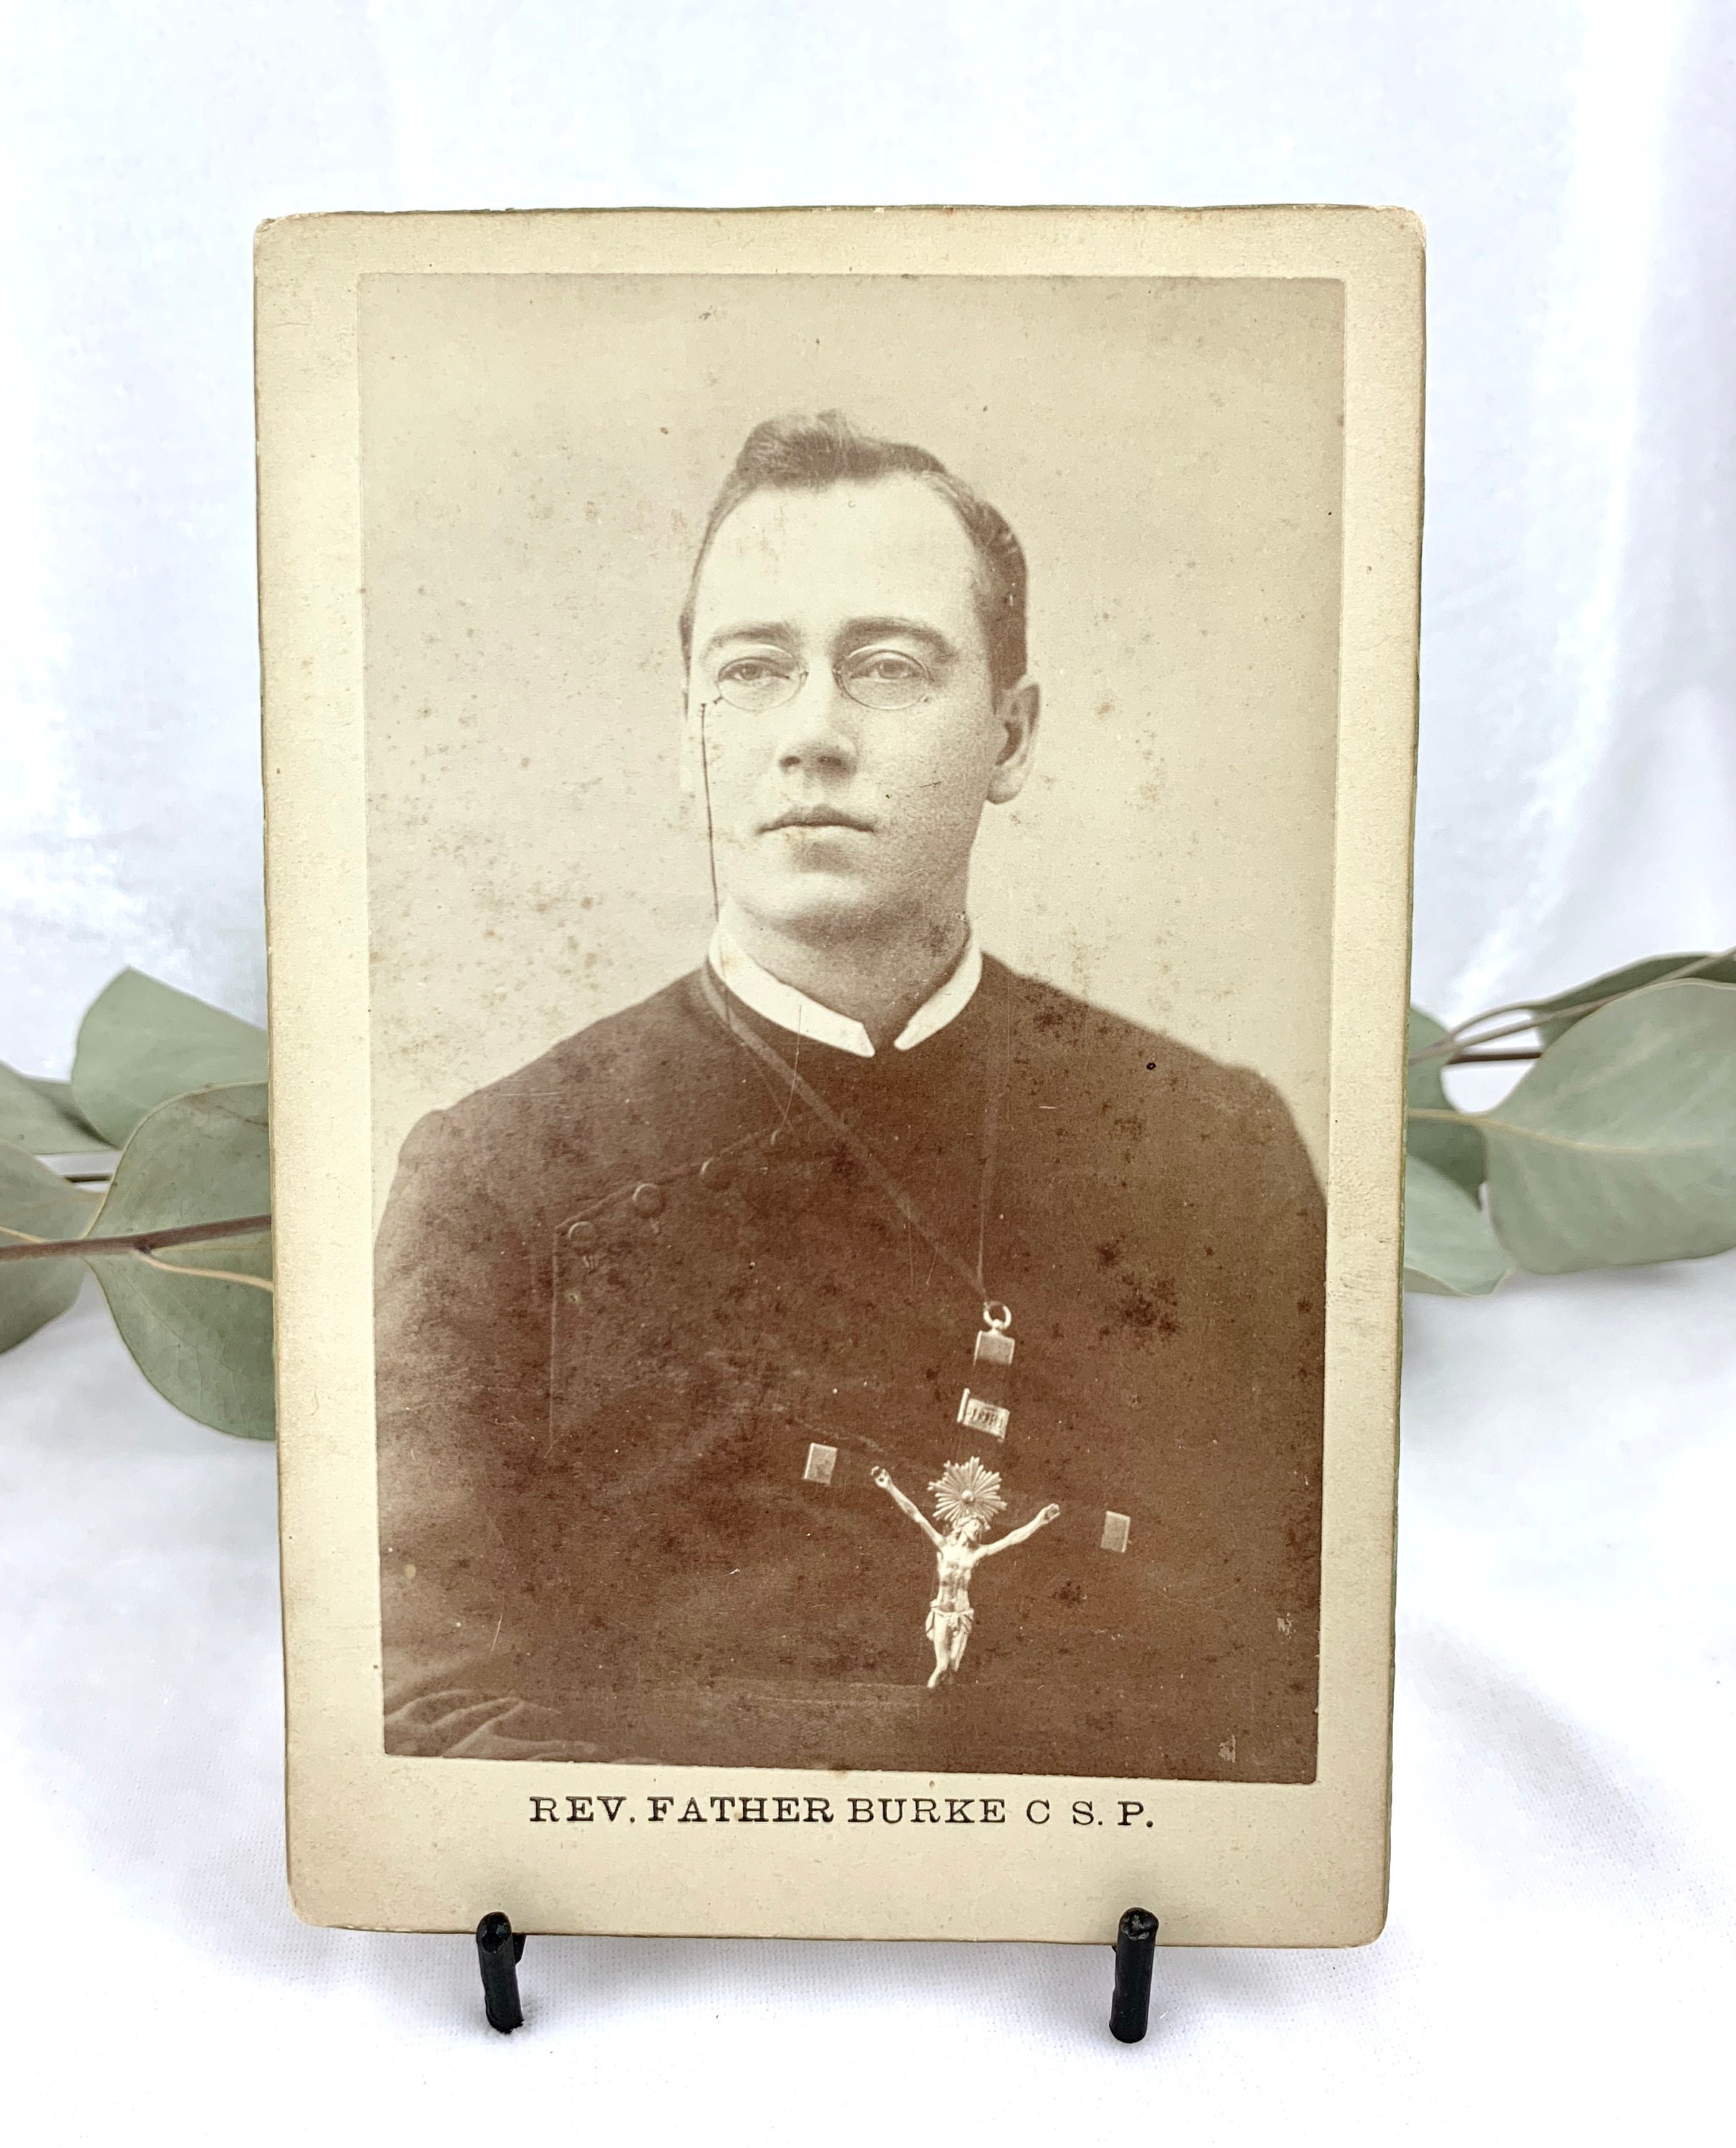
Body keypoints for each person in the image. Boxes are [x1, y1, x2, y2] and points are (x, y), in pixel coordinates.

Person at [374, 411, 1326, 1781]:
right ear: (688, 735)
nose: (811, 734)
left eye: (885, 667)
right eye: (751, 672)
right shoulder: (498, 1176)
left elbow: (1302, 1662)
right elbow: (433, 1708)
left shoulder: (1211, 1144)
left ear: (1009, 736)